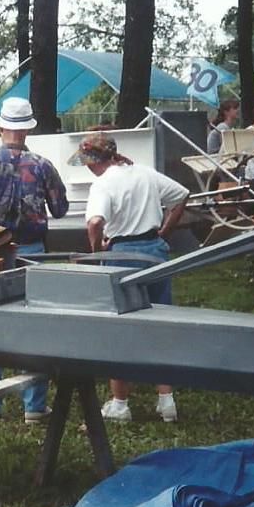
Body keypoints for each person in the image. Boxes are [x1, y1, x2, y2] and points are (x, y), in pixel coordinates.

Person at [0, 97, 69, 424]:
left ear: (0, 127)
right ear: (28, 130)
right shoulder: (43, 165)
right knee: (33, 326)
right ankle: (34, 407)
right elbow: (61, 209)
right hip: (33, 251)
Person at [72, 131, 190, 422]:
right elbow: (181, 196)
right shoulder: (145, 173)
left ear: (93, 161)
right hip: (154, 250)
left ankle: (121, 403)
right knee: (161, 323)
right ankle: (166, 401)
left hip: (121, 253)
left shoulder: (102, 184)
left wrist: (96, 249)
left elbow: (96, 221)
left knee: (121, 329)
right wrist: (164, 231)